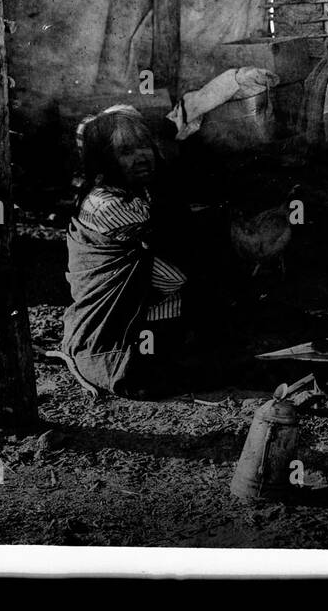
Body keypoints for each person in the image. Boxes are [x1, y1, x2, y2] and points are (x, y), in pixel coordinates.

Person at [57, 104, 226, 398]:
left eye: (144, 147)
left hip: (146, 319)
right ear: (105, 161)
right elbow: (176, 261)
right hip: (114, 340)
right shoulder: (108, 205)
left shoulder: (136, 191)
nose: (142, 157)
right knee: (194, 270)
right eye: (126, 152)